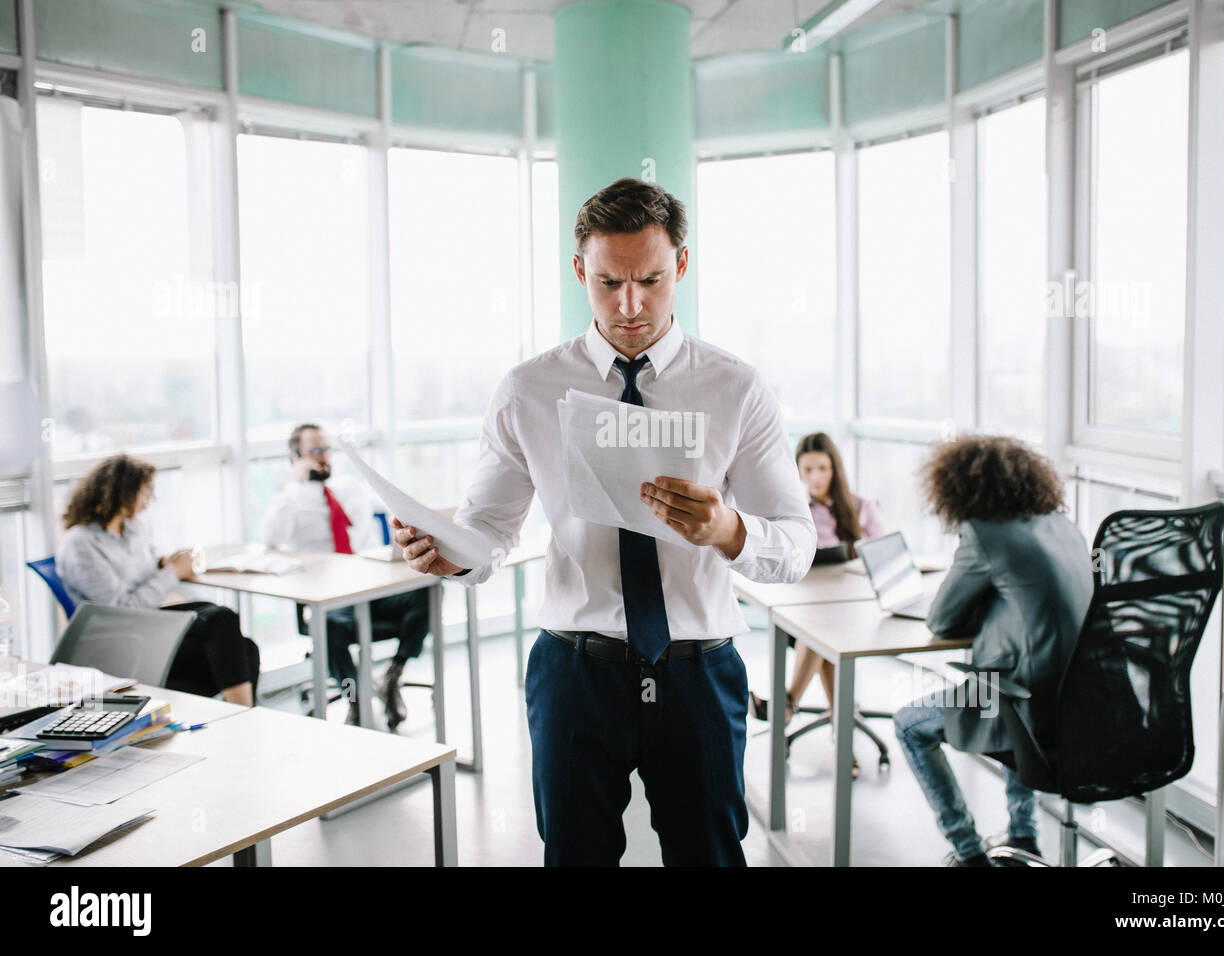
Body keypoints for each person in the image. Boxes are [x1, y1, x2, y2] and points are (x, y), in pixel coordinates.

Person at [394, 177, 815, 866]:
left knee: (709, 856)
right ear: (578, 272)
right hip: (573, 670)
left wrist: (728, 531)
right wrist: (450, 556)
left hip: (698, 670)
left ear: (681, 264)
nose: (629, 305)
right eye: (607, 281)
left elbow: (796, 546)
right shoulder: (529, 389)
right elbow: (489, 532)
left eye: (649, 279)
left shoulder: (737, 388)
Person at [893, 434, 1092, 866]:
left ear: (957, 490)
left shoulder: (984, 533)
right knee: (1012, 694)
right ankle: (1024, 834)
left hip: (1026, 701)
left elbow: (942, 620)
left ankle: (968, 851)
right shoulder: (1062, 526)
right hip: (1087, 701)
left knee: (911, 723)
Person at [259, 424, 429, 730]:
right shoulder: (289, 499)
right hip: (329, 597)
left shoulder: (349, 488)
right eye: (316, 451)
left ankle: (393, 675)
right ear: (295, 456)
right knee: (327, 625)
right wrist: (299, 485)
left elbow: (372, 536)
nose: (324, 458)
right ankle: (354, 697)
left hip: (368, 586)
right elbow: (270, 538)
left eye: (326, 450)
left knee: (427, 590)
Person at [56, 455, 260, 706]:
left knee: (244, 646)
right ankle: (243, 719)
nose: (148, 501)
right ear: (123, 493)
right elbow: (120, 609)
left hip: (147, 623)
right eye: (145, 493)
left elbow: (149, 561)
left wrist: (165, 562)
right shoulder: (81, 544)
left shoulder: (132, 529)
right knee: (222, 621)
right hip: (120, 637)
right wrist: (172, 573)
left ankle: (239, 720)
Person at [749, 431, 886, 778]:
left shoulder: (860, 508)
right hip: (811, 614)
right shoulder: (793, 512)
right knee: (823, 636)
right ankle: (843, 742)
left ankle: (787, 702)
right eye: (807, 469)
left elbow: (883, 558)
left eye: (822, 468)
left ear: (835, 470)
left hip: (857, 614)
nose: (815, 477)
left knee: (823, 635)